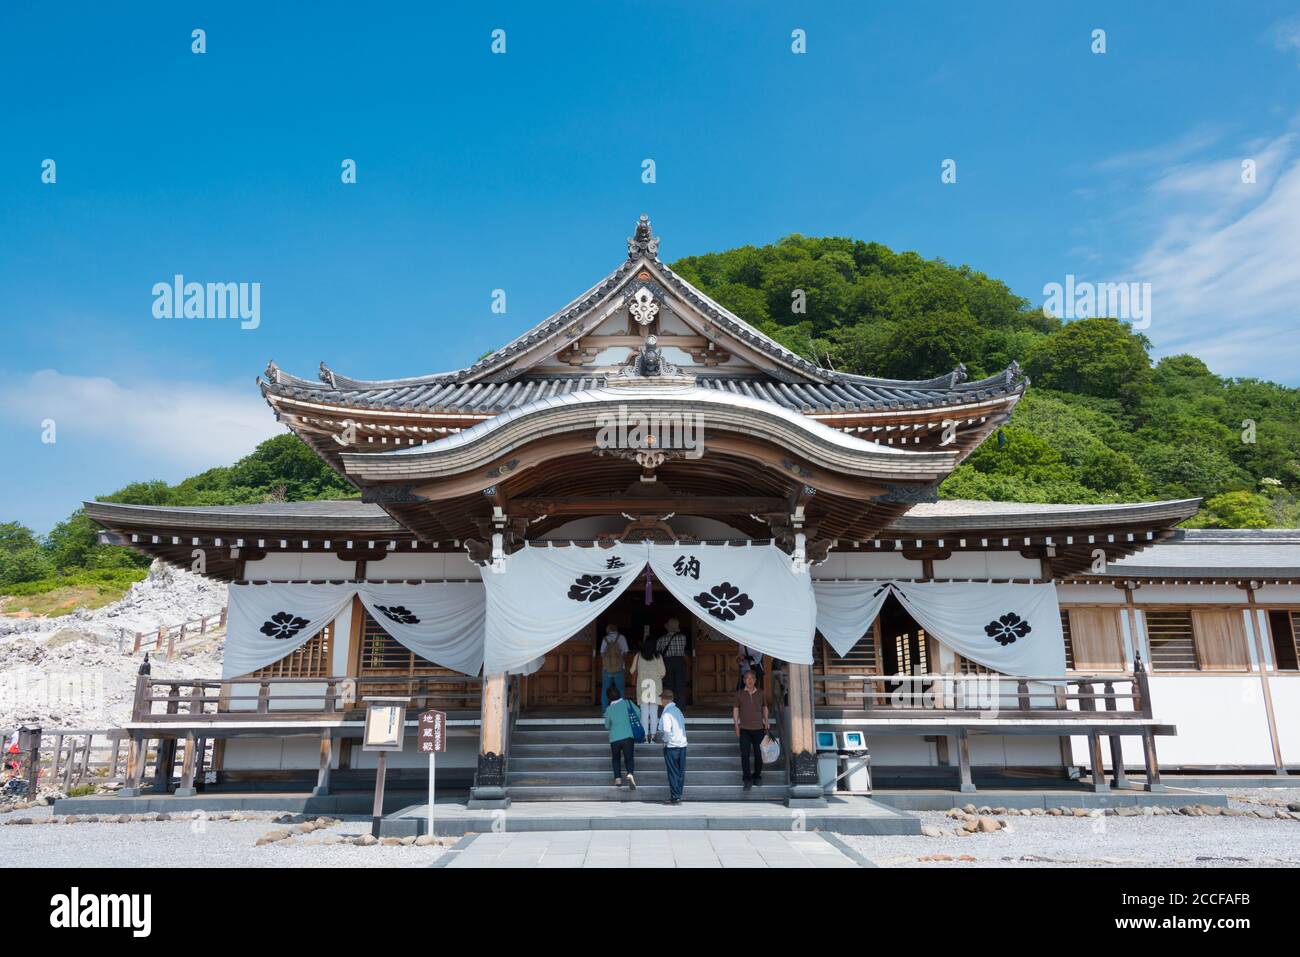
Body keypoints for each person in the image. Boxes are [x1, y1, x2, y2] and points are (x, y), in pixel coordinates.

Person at [733, 669, 770, 789]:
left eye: (751, 678)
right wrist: (736, 726)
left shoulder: (761, 693)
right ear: (743, 680)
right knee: (745, 755)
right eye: (746, 678)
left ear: (755, 680)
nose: (749, 680)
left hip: (759, 728)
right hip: (744, 729)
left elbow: (764, 707)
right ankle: (747, 779)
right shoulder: (739, 694)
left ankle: (757, 776)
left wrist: (766, 721)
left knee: (759, 755)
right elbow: (736, 710)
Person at [629, 643, 666, 741]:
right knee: (654, 712)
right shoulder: (658, 656)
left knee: (644, 712)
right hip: (655, 686)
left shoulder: (638, 655)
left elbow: (632, 670)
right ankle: (653, 736)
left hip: (643, 686)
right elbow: (663, 672)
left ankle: (645, 737)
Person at [602, 684, 636, 789]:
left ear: (608, 697)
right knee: (629, 758)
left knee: (616, 759)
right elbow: (638, 713)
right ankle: (630, 773)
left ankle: (617, 779)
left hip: (615, 738)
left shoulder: (609, 709)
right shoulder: (628, 703)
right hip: (628, 736)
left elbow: (607, 725)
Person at [658, 688, 688, 804]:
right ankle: (678, 794)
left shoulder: (666, 714)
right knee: (680, 772)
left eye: (661, 698)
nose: (661, 700)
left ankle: (675, 797)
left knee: (673, 772)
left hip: (671, 746)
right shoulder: (678, 711)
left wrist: (665, 741)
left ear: (665, 700)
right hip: (682, 744)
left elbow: (666, 731)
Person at [656, 617, 689, 704]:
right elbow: (684, 648)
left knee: (669, 685)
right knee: (680, 685)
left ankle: (669, 704)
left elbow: (657, 651)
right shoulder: (683, 637)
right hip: (679, 662)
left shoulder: (661, 639)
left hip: (667, 662)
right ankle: (681, 706)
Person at [596, 622, 629, 709]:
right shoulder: (621, 638)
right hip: (619, 668)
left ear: (608, 630)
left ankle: (605, 710)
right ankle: (621, 709)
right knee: (620, 689)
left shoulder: (605, 639)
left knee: (605, 689)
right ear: (616, 629)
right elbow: (625, 652)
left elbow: (602, 653)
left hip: (607, 668)